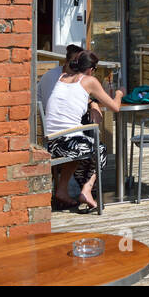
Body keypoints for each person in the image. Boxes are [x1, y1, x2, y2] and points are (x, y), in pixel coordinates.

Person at [44, 48, 123, 212]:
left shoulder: (62, 77)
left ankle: (61, 190)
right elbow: (115, 107)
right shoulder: (89, 81)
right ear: (90, 69)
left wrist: (91, 102)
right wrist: (119, 93)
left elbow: (74, 97)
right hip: (67, 142)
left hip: (51, 142)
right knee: (100, 149)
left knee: (80, 144)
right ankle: (87, 190)